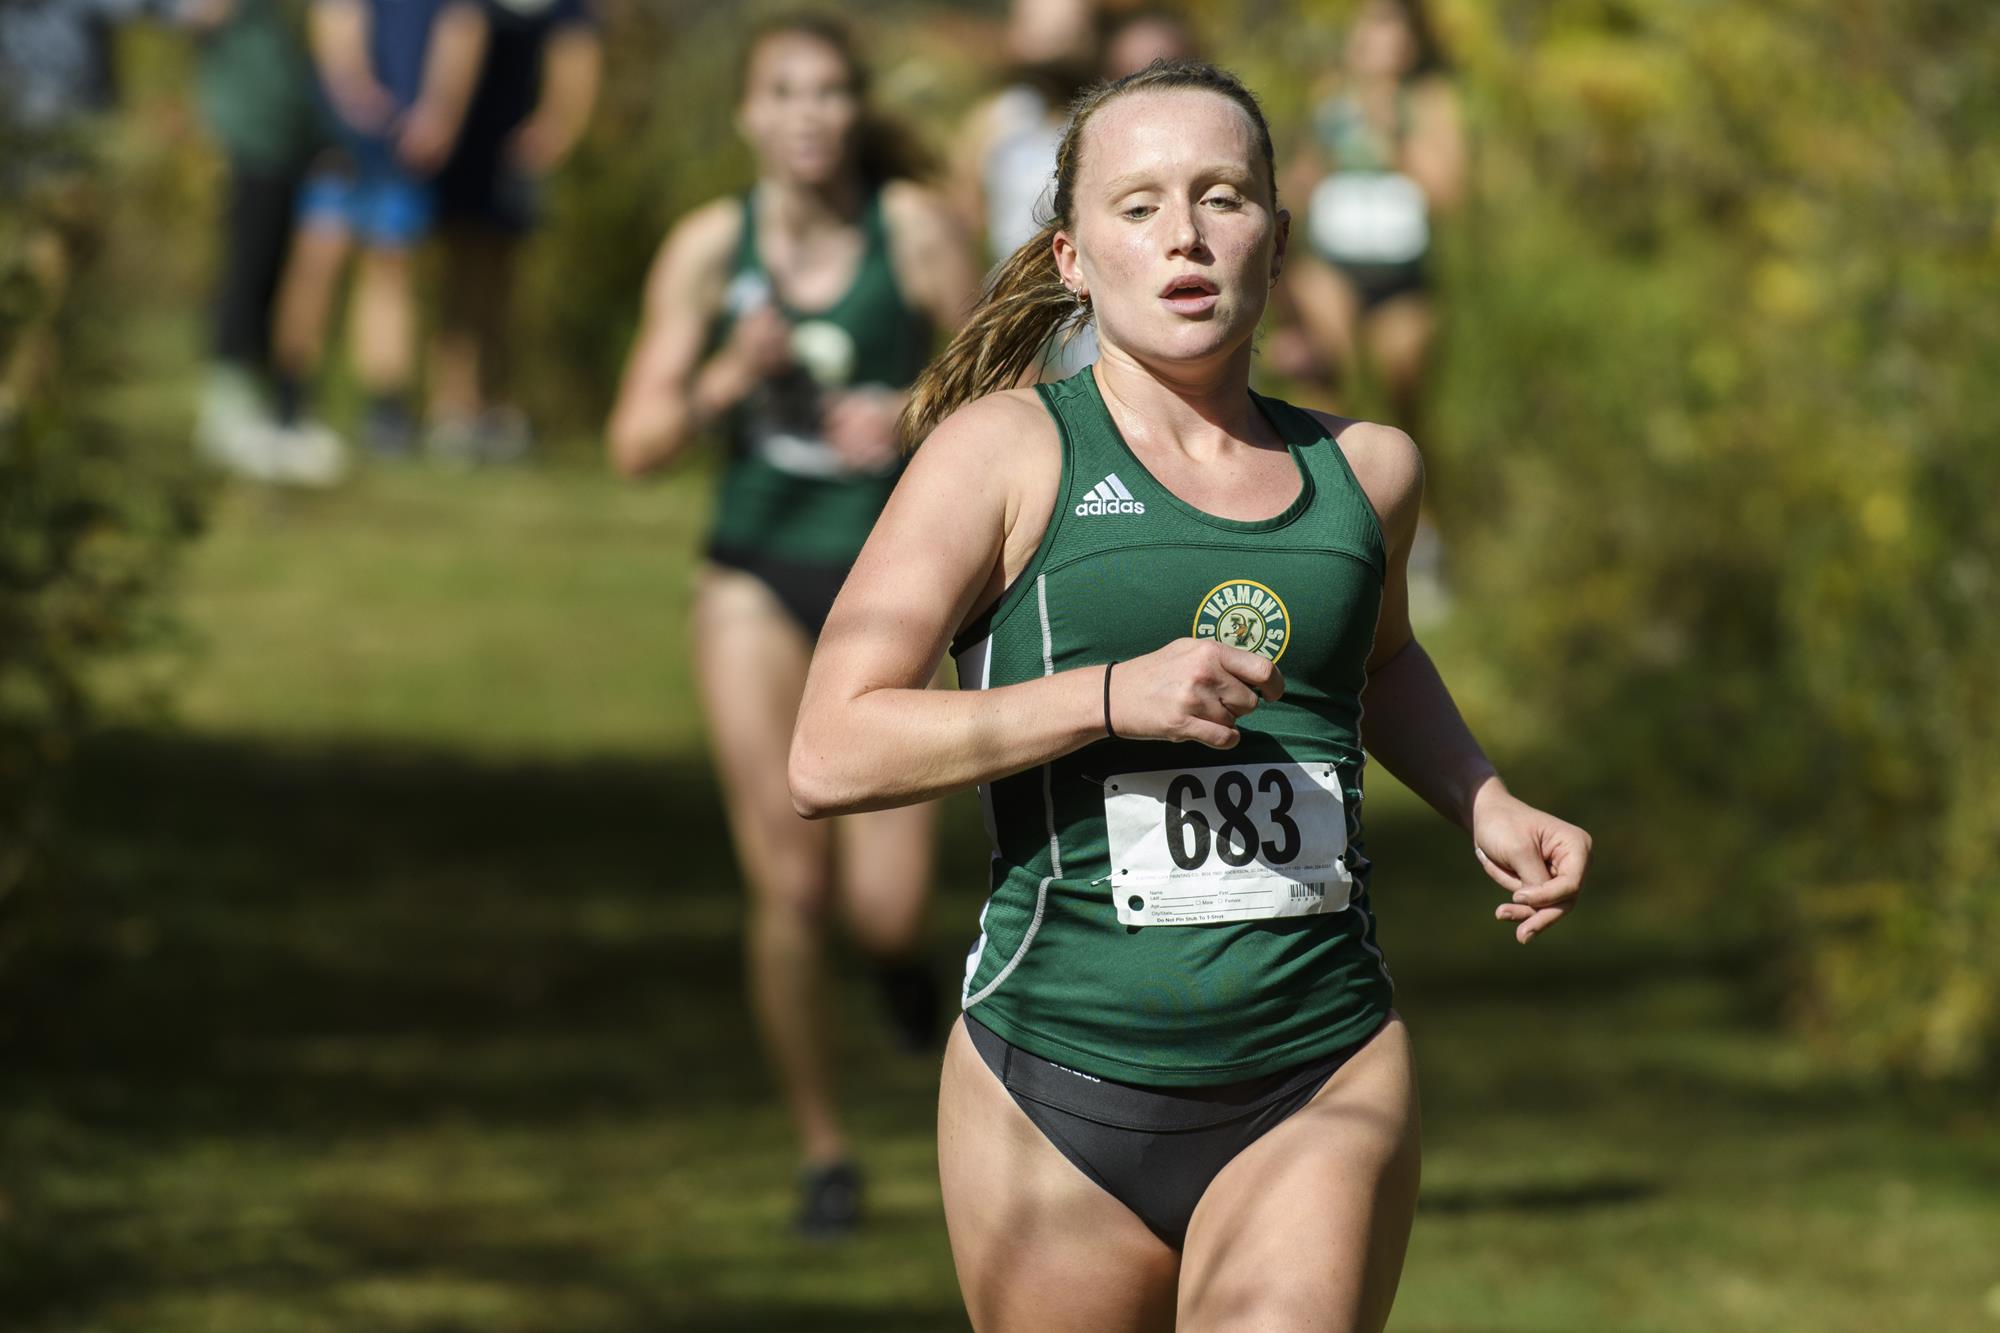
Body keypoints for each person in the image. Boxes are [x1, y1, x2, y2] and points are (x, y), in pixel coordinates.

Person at [789, 59, 1588, 1330]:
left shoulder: (1366, 472)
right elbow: (829, 751)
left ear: (1278, 236)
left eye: (1222, 197)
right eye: (1139, 204)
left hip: (1319, 1066)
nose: (1185, 236)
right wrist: (1107, 695)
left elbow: (1377, 663)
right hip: (1053, 1084)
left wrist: (1481, 797)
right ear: (1071, 256)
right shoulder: (1003, 454)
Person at [605, 14, 978, 1237]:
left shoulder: (911, 230)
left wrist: (910, 412)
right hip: (750, 577)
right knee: (789, 882)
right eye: (783, 92)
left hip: (889, 583)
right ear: (747, 115)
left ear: (854, 109)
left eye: (827, 92)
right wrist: (723, 375)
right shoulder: (710, 248)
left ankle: (899, 965)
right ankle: (823, 1151)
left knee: (884, 904)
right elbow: (634, 444)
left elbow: (1013, 388)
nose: (807, 114)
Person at [269, 0, 487, 457]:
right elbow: (336, 19)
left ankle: (386, 411)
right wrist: (355, 95)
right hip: (339, 141)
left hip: (402, 144)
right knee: (318, 262)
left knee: (389, 268)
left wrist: (440, 114)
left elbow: (462, 28)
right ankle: (290, 401)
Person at [178, 0, 347, 485]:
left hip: (293, 138)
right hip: (247, 137)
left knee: (279, 276)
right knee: (246, 270)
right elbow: (195, 16)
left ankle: (275, 407)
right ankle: (227, 406)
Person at [426, 0, 601, 465]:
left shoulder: (564, 8)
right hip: (465, 150)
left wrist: (554, 131)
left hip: (515, 157)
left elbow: (577, 62)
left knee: (501, 285)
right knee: (457, 280)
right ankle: (452, 407)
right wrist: (441, 122)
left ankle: (494, 406)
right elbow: (452, 47)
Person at [1279, 0, 1463, 436]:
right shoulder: (1329, 95)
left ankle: (1407, 469)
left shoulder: (1429, 102)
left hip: (1401, 273)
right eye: (1370, 26)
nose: (1380, 41)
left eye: (1392, 29)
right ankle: (1322, 466)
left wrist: (1393, 133)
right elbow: (1305, 175)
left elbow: (1449, 195)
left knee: (1403, 387)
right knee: (1324, 373)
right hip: (1332, 262)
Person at [948, 0, 1098, 380]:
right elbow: (963, 219)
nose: (1055, 44)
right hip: (1015, 296)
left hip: (1089, 299)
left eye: (1069, 30)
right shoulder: (996, 121)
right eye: (1041, 30)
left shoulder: (1105, 116)